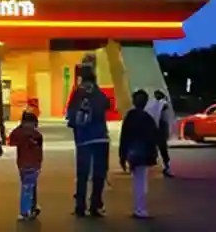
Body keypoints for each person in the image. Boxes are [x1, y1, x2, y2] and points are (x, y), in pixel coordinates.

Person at [66, 70, 112, 217]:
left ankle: (80, 206)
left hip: (83, 140)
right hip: (100, 138)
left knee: (82, 174)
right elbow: (107, 105)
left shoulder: (78, 93)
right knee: (99, 173)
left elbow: (70, 116)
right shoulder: (99, 93)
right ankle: (96, 205)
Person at [120, 89, 160, 220]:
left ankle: (139, 208)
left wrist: (123, 155)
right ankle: (140, 209)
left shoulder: (130, 116)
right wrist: (153, 155)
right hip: (144, 153)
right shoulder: (148, 119)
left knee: (138, 181)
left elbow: (124, 137)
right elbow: (154, 138)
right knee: (141, 182)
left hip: (133, 152)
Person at [8, 110, 45, 220]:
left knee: (27, 186)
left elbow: (11, 140)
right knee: (29, 187)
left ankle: (31, 207)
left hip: (22, 164)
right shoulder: (37, 135)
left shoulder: (19, 133)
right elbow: (39, 151)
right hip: (34, 165)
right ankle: (25, 210)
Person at [144, 89, 176, 177]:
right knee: (161, 149)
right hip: (159, 130)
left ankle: (164, 166)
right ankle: (165, 167)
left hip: (157, 130)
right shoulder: (159, 104)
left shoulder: (156, 104)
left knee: (159, 149)